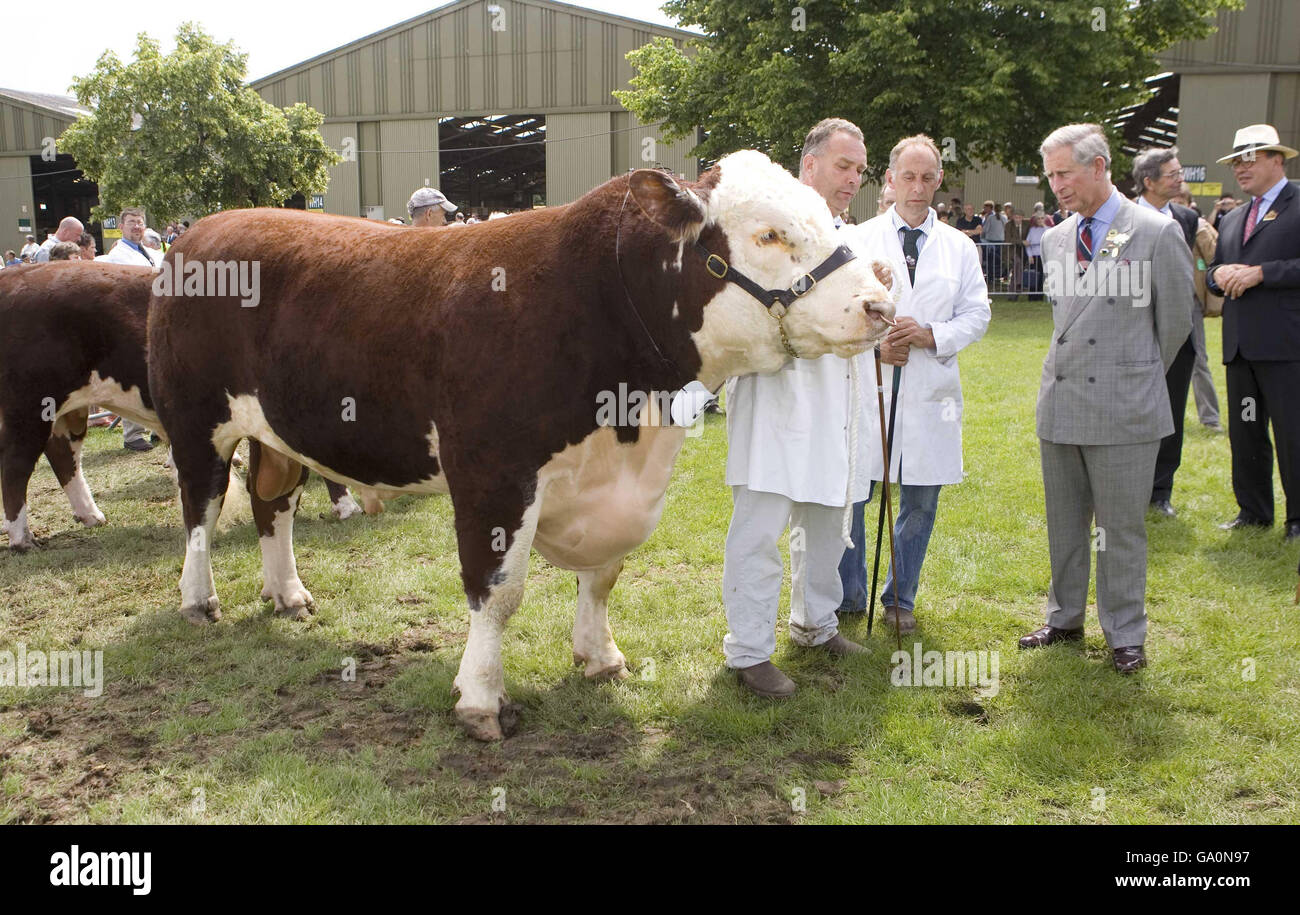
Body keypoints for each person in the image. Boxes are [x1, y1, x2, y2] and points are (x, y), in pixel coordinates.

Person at [1021, 123, 1192, 675]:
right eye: (1050, 176)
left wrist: (1132, 374)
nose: (1057, 187)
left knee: (1119, 528)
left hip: (1124, 408)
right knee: (1065, 521)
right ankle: (1064, 618)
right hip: (1062, 402)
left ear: (1099, 168)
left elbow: (1174, 326)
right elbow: (1062, 321)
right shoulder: (1054, 238)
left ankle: (1124, 633)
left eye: (1064, 173)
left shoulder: (1155, 231)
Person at [722, 117, 874, 699]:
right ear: (808, 165)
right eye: (843, 165)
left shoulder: (857, 243)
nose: (852, 179)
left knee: (824, 527)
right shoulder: (766, 237)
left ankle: (817, 623)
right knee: (758, 531)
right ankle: (750, 652)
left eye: (860, 169)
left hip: (836, 401)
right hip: (774, 399)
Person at [838, 135, 990, 632]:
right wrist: (877, 347)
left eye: (928, 177)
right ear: (889, 179)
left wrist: (931, 335)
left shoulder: (960, 247)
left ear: (939, 180)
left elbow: (977, 314)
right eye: (908, 176)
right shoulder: (858, 240)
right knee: (858, 493)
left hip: (931, 392)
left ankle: (900, 597)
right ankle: (849, 597)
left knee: (920, 500)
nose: (918, 187)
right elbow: (839, 314)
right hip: (871, 387)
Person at [1206, 124, 1300, 539]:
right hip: (1241, 349)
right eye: (1236, 162)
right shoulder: (1233, 218)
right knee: (1246, 431)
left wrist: (1265, 273)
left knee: (1292, 432)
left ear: (1277, 160)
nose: (1241, 169)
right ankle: (1254, 510)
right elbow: (1211, 274)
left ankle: (1297, 518)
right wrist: (1216, 274)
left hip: (1286, 347)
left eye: (1250, 159)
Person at [1131, 146, 1203, 518]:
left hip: (1177, 328)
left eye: (1180, 173)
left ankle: (1160, 491)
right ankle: (1130, 484)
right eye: (1173, 174)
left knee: (1171, 410)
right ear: (1149, 181)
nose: (1180, 179)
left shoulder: (1187, 217)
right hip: (1134, 330)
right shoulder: (1123, 219)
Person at [979, 199, 1005, 284]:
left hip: (991, 241)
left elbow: (985, 229)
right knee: (998, 260)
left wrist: (982, 236)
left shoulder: (990, 218)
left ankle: (991, 277)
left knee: (991, 260)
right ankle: (998, 276)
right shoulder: (1004, 218)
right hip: (1001, 241)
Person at [1004, 206, 1025, 293]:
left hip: (1023, 252)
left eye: (1019, 217)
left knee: (1017, 270)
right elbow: (1008, 239)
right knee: (1017, 263)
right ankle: (1018, 284)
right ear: (1012, 217)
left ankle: (1013, 291)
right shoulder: (1008, 225)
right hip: (1011, 251)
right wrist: (1021, 242)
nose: (1017, 219)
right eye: (1016, 217)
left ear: (1022, 218)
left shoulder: (1026, 225)